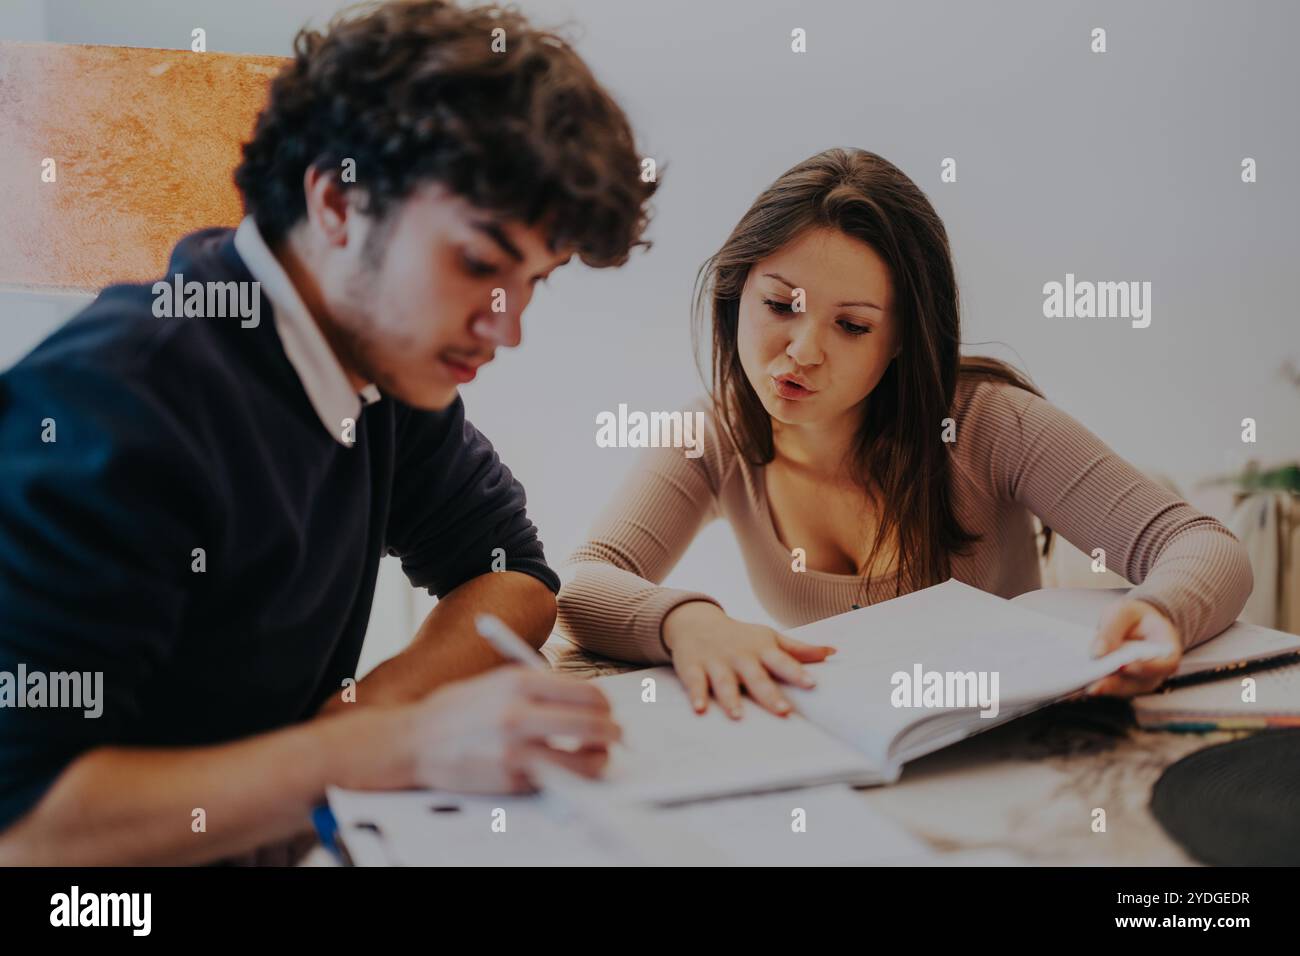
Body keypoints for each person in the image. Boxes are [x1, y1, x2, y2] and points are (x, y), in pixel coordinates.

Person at [0, 0, 655, 864]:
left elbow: (514, 578)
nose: (509, 329)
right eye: (480, 264)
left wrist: (363, 721)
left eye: (537, 280)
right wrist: (392, 748)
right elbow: (27, 826)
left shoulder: (379, 372)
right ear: (339, 200)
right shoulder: (113, 406)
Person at [556, 147, 1253, 719]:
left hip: (1003, 744)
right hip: (852, 750)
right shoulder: (712, 436)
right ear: (736, 293)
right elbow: (586, 584)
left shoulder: (986, 424)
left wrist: (1163, 614)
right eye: (779, 305)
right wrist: (689, 623)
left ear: (899, 341)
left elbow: (1202, 545)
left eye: (852, 325)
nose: (802, 351)